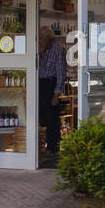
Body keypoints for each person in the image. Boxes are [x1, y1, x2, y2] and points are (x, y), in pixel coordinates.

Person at [38, 25, 67, 158]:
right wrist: (41, 52)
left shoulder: (57, 49)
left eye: (41, 38)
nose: (40, 40)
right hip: (41, 83)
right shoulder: (42, 49)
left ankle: (53, 148)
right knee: (42, 116)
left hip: (51, 84)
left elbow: (61, 72)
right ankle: (42, 144)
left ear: (48, 38)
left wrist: (57, 93)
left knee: (52, 119)